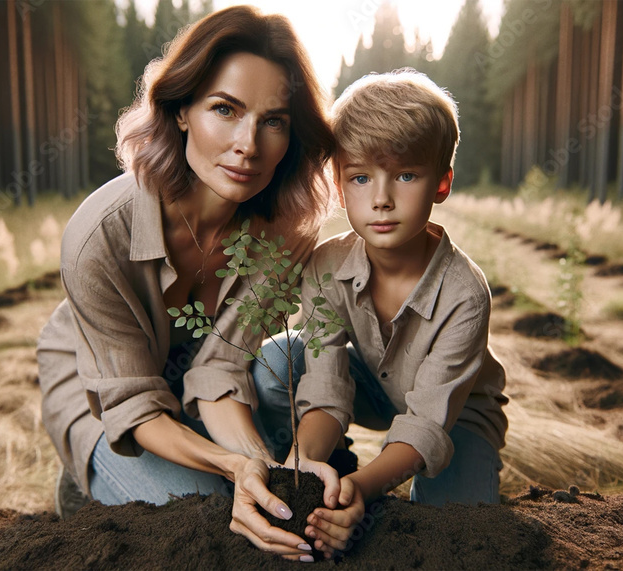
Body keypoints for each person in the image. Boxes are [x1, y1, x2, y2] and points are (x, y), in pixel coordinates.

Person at [36, 6, 336, 561]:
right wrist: (229, 467)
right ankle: (91, 475)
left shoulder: (284, 229)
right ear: (179, 112)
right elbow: (132, 402)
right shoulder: (97, 235)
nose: (249, 144)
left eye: (273, 120)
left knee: (264, 494)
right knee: (212, 527)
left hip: (202, 391)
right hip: (106, 392)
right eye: (225, 109)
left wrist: (258, 467)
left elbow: (219, 367)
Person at [253, 69, 509, 558]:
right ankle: (336, 467)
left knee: (455, 533)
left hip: (456, 414)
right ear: (339, 182)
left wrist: (363, 492)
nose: (382, 199)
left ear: (442, 182)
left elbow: (428, 423)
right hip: (372, 385)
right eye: (361, 177)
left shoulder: (464, 294)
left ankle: (369, 487)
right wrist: (305, 465)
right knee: (279, 363)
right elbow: (326, 388)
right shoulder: (326, 266)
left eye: (406, 175)